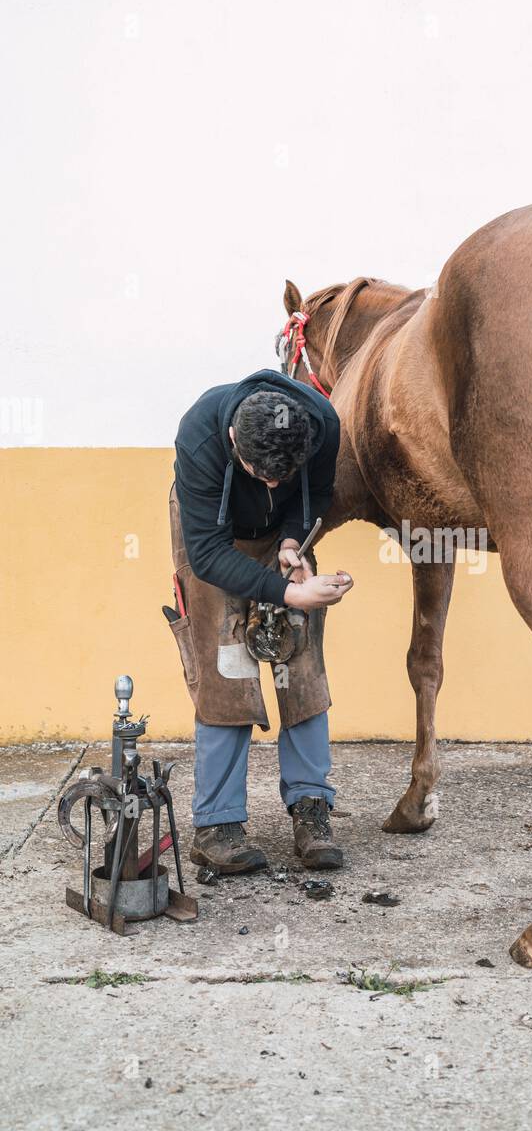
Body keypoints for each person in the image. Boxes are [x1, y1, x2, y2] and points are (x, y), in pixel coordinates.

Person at [167, 369, 353, 875]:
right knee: (229, 664)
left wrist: (294, 543)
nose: (271, 483)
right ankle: (217, 826)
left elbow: (315, 497)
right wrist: (291, 590)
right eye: (260, 473)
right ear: (233, 440)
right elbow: (206, 554)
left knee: (302, 660)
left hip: (279, 535)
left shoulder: (322, 424)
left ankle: (311, 809)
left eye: (281, 476)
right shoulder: (200, 433)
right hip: (215, 539)